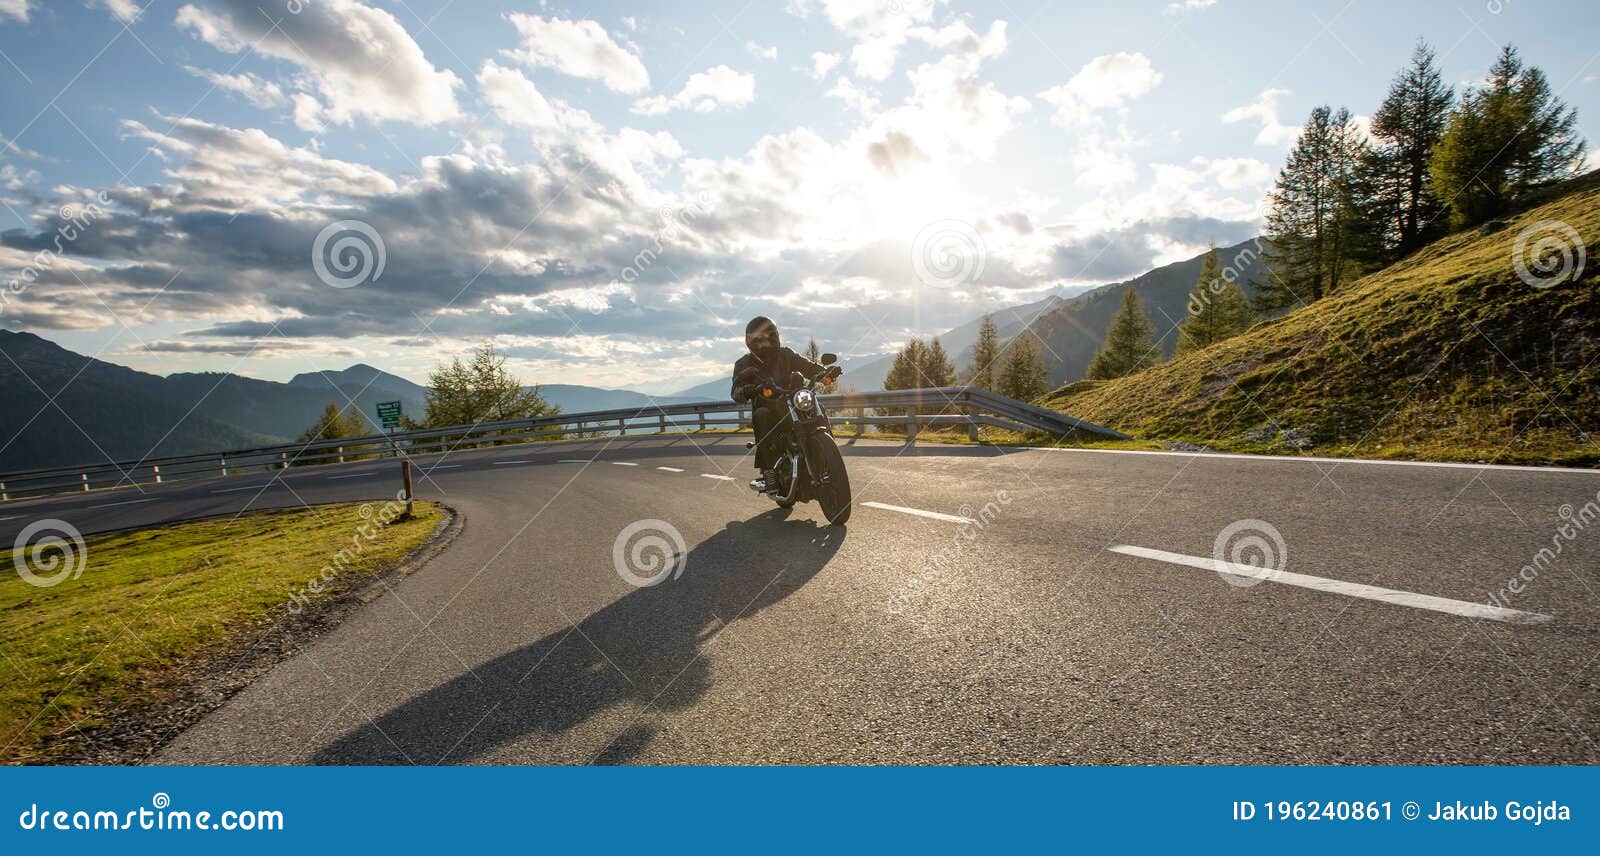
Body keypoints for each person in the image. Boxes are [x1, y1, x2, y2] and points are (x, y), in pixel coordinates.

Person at [729, 316, 839, 493]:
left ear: (776, 337)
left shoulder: (786, 354)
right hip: (770, 409)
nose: (765, 344)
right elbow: (736, 392)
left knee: (816, 405)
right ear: (751, 343)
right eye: (760, 341)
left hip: (794, 403)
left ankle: (830, 455)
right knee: (761, 415)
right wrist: (750, 388)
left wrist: (825, 373)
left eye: (769, 338)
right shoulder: (744, 364)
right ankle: (769, 472)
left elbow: (807, 366)